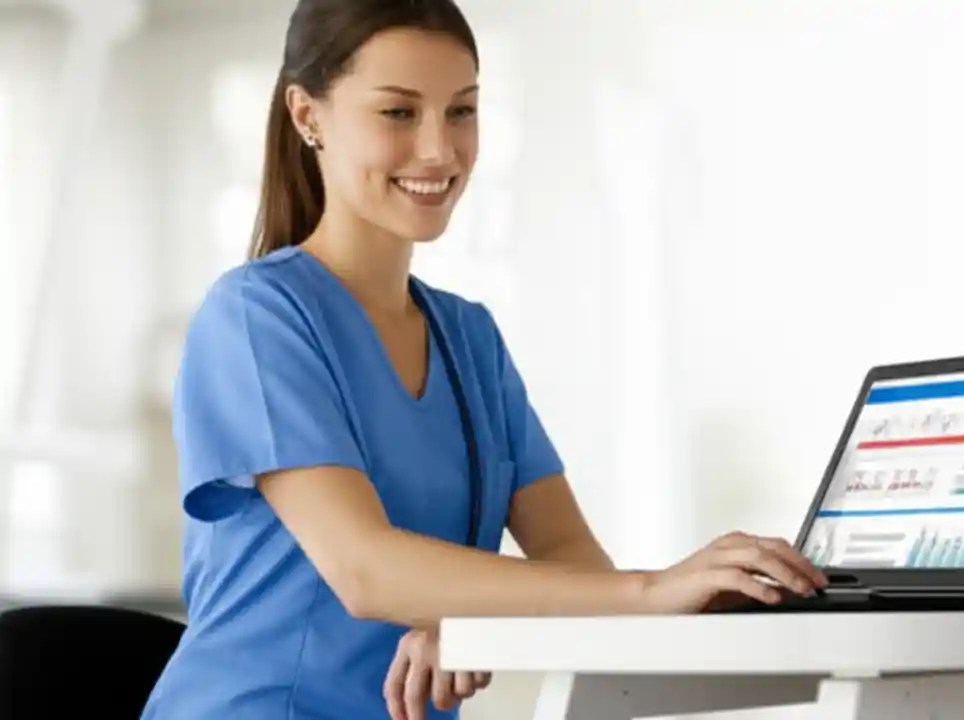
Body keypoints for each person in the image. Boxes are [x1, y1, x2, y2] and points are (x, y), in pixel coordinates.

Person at [140, 1, 827, 718]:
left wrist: (478, 621)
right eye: (399, 114)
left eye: (461, 112)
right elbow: (365, 571)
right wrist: (650, 591)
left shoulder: (469, 339)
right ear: (308, 116)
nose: (439, 150)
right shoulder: (256, 317)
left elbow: (569, 557)